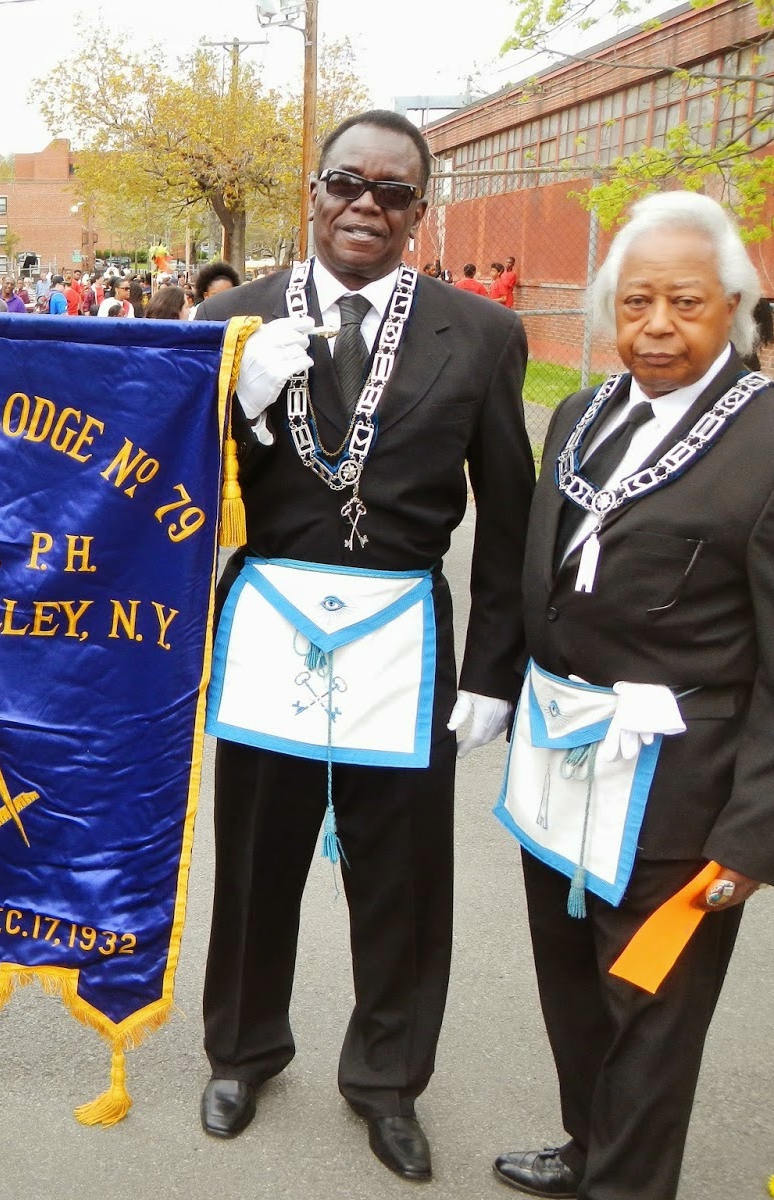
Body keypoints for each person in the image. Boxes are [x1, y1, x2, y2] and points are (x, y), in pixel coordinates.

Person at [195, 109, 534, 1182]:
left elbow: (511, 516)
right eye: (348, 183)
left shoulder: (477, 333)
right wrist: (235, 410)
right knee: (256, 859)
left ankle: (386, 1077)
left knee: (400, 876)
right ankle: (242, 1051)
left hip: (401, 632)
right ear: (313, 192)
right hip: (268, 625)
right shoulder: (235, 321)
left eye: (393, 192)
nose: (365, 206)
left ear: (417, 213)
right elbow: (172, 503)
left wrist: (492, 671)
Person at [491, 192, 774, 1200]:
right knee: (573, 989)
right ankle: (590, 1147)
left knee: (651, 1009)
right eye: (634, 304)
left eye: (684, 302)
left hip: (679, 791)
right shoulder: (582, 415)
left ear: (734, 307)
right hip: (563, 759)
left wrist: (754, 835)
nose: (656, 327)